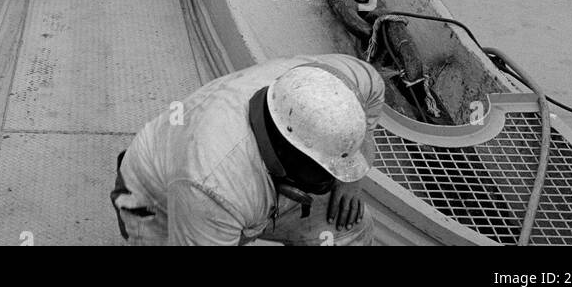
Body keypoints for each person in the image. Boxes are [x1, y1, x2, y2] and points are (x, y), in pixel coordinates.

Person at [111, 54, 383, 246]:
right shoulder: (212, 185)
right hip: (157, 204)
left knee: (348, 229)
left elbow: (374, 91)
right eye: (328, 172)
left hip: (243, 190)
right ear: (287, 157)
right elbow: (215, 194)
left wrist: (352, 180)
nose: (337, 177)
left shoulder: (340, 79)